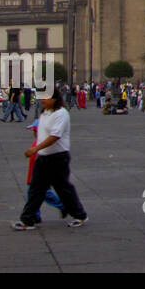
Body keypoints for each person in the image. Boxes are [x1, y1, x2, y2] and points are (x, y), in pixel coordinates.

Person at [14, 90, 88, 230]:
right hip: (43, 157)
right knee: (36, 189)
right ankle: (27, 219)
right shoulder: (45, 112)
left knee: (63, 189)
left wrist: (35, 149)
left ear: (55, 99)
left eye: (46, 98)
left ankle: (80, 215)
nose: (43, 100)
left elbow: (55, 136)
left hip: (58, 158)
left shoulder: (61, 114)